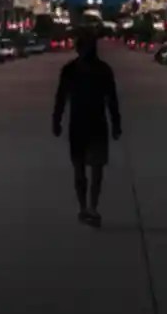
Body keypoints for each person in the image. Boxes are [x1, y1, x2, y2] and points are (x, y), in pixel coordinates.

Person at [52, 31, 122, 227]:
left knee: (94, 169)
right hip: (83, 125)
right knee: (82, 170)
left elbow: (112, 99)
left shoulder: (99, 70)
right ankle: (86, 207)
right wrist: (56, 120)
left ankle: (90, 207)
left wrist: (116, 123)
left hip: (93, 124)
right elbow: (61, 98)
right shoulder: (73, 70)